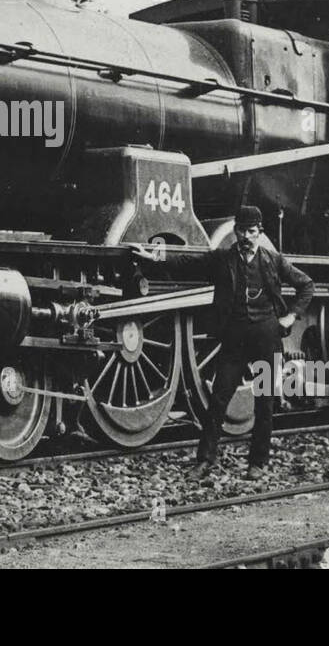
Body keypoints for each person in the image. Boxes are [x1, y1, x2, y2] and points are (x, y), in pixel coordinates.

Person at [130, 205, 312, 480]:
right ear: (236, 231)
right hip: (235, 341)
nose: (247, 236)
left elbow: (306, 285)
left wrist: (290, 317)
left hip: (266, 338)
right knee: (217, 400)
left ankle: (258, 463)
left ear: (259, 232)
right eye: (242, 230)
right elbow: (187, 264)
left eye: (252, 231)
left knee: (264, 402)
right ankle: (205, 460)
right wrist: (154, 257)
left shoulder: (274, 260)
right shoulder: (223, 259)